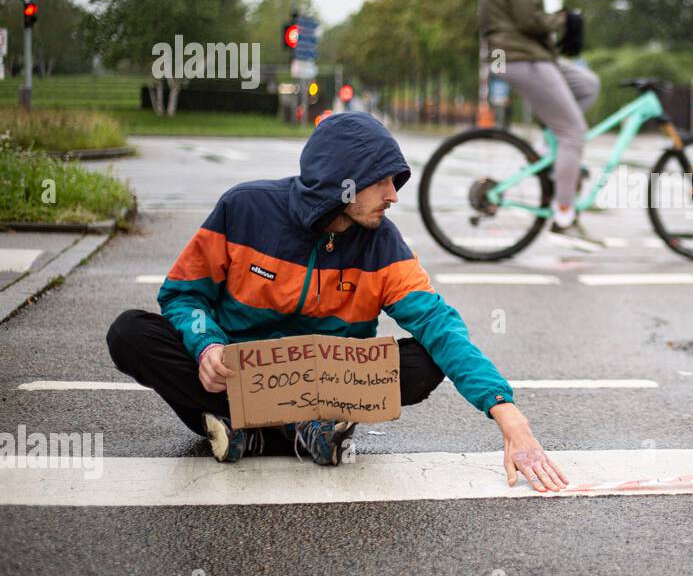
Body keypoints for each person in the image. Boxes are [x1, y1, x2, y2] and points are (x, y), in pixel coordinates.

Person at [105, 112, 567, 492]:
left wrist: (508, 414)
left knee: (427, 357)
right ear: (342, 182)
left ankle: (257, 431)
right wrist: (206, 345)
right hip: (233, 377)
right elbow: (184, 293)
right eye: (382, 181)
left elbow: (438, 322)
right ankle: (296, 431)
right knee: (130, 332)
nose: (393, 194)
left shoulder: (382, 242)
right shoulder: (244, 208)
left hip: (324, 386)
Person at [479, 0, 602, 250]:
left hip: (527, 52)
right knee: (574, 131)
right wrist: (564, 20)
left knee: (587, 84)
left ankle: (547, 147)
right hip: (518, 54)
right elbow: (527, 18)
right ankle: (564, 214)